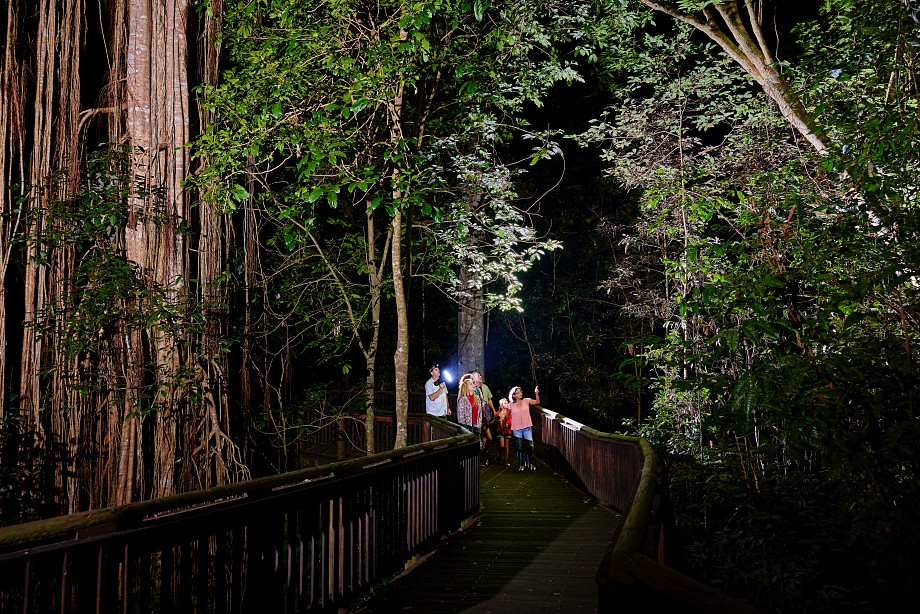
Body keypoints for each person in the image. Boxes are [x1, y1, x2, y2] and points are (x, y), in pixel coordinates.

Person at [508, 385, 540, 471]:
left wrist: (536, 393)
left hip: (527, 427)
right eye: (518, 393)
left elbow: (537, 402)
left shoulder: (526, 401)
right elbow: (506, 412)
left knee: (530, 446)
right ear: (514, 395)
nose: (521, 394)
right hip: (517, 428)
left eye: (521, 392)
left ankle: (529, 463)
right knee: (519, 447)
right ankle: (521, 464)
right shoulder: (511, 405)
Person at [472, 371, 495, 463]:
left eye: (480, 375)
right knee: (480, 437)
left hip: (485, 416)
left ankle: (484, 453)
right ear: (474, 379)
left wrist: (493, 410)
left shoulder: (485, 387)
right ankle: (480, 457)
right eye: (478, 375)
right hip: (477, 417)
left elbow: (489, 399)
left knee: (489, 438)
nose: (480, 376)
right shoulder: (473, 389)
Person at [455, 374, 480, 438]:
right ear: (466, 387)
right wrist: (466, 428)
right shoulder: (463, 400)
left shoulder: (477, 398)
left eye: (473, 383)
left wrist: (479, 425)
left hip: (476, 426)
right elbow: (460, 416)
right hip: (467, 427)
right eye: (471, 384)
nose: (474, 385)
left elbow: (480, 413)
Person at [496, 398, 512, 466]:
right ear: (501, 404)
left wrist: (508, 423)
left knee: (506, 445)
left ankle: (506, 460)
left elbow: (511, 418)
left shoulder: (509, 411)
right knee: (501, 445)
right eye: (504, 403)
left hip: (507, 430)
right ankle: (500, 457)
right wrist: (498, 421)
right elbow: (496, 419)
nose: (506, 404)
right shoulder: (498, 413)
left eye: (507, 403)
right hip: (500, 430)